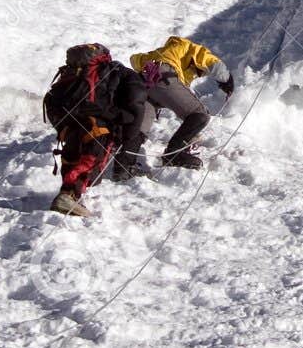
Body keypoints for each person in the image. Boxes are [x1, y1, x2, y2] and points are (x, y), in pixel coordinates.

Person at [44, 42, 150, 216]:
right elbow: (135, 104)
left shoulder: (78, 72)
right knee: (90, 161)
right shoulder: (122, 74)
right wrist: (127, 135)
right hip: (98, 126)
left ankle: (68, 194)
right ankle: (68, 196)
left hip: (70, 123)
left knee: (72, 158)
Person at [129, 35, 234, 170]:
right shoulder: (188, 47)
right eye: (200, 72)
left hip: (146, 82)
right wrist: (227, 79)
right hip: (164, 76)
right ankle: (175, 155)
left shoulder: (160, 53)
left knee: (140, 127)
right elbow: (210, 61)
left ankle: (124, 166)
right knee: (199, 114)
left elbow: (135, 59)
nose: (199, 73)